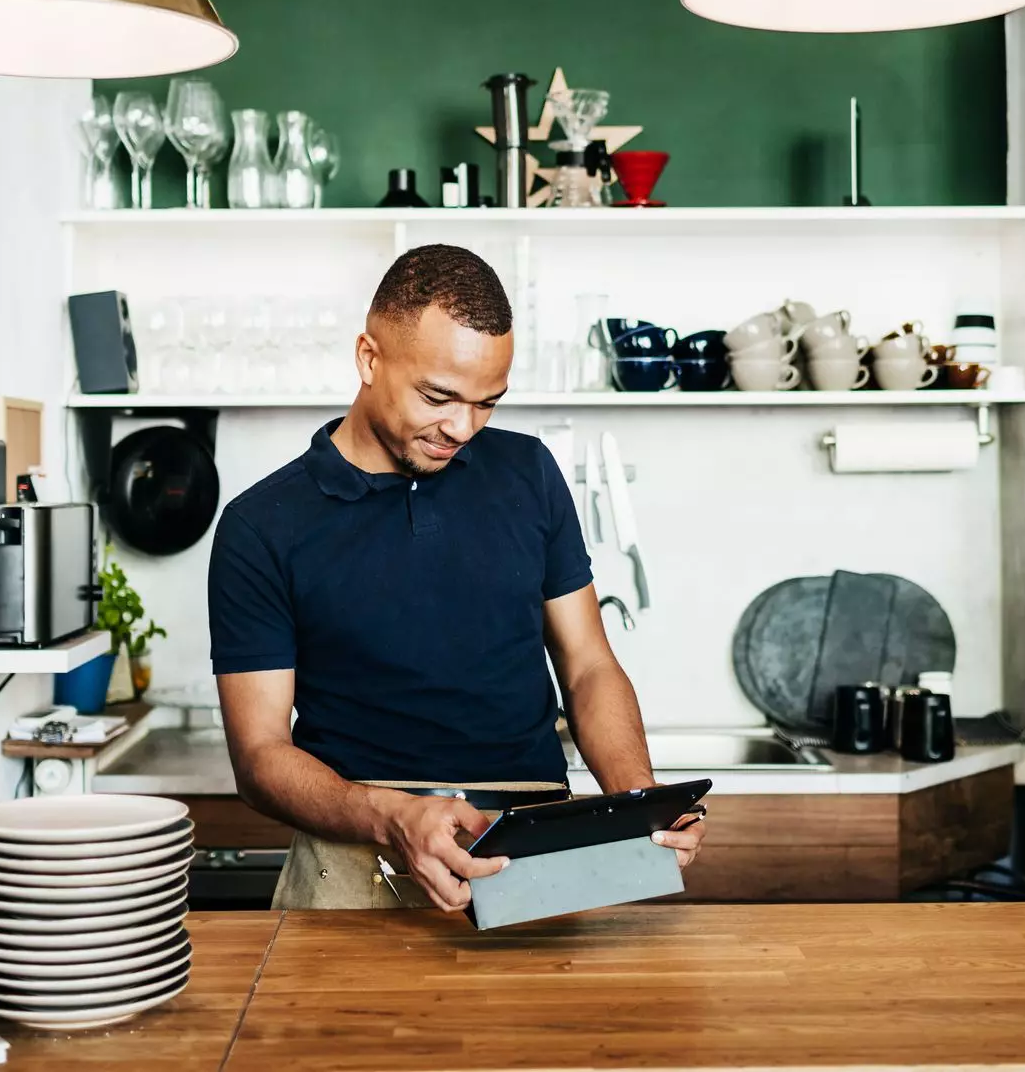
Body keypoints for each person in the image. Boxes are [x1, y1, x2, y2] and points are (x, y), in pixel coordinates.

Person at [208, 244, 704, 910]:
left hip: (531, 845)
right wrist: (391, 816)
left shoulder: (529, 474)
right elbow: (259, 756)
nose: (462, 427)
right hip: (353, 856)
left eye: (487, 403)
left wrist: (638, 799)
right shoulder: (261, 524)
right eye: (439, 397)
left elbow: (588, 665)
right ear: (368, 358)